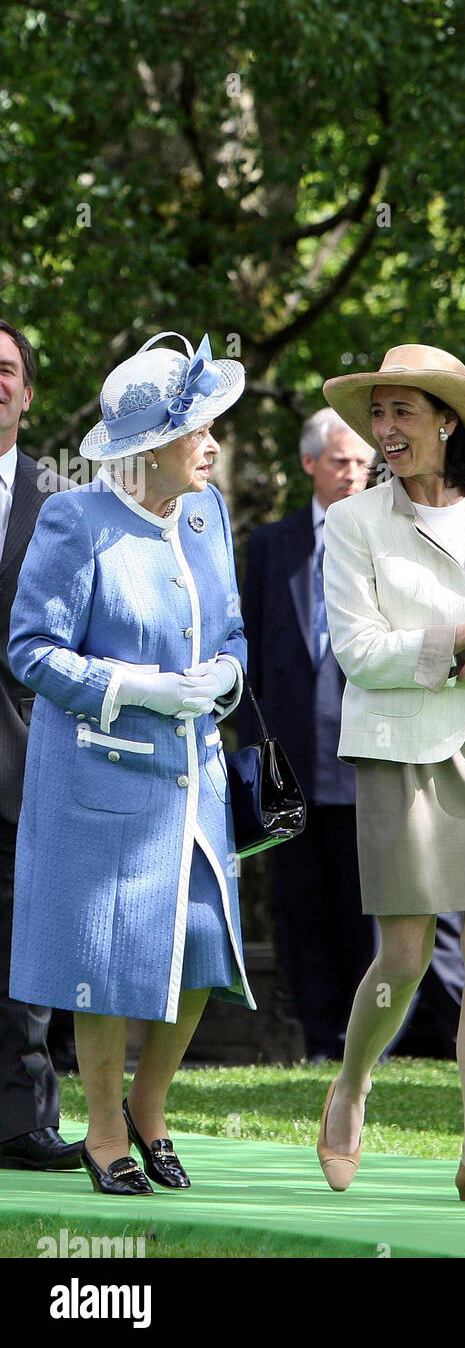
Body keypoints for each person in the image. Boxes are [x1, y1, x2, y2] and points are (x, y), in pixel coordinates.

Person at [7, 332, 254, 1195]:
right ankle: (105, 1128)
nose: (213, 445)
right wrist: (140, 688)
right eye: (199, 432)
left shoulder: (205, 511)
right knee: (103, 957)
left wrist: (225, 671)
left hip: (195, 777)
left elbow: (229, 630)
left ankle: (151, 1108)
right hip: (100, 775)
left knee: (196, 943)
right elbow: (31, 651)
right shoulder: (75, 518)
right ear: (151, 446)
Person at [314, 344, 465, 1205]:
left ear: (447, 421)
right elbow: (359, 652)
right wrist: (461, 639)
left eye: (401, 414)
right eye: (376, 415)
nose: (384, 431)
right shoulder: (351, 523)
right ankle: (350, 1083)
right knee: (405, 957)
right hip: (399, 751)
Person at [241, 408, 465, 1061]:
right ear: (309, 464)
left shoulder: (391, 539)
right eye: (339, 461)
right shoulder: (271, 546)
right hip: (288, 763)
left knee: (372, 908)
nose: (352, 474)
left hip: (371, 754)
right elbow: (249, 655)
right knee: (299, 906)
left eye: (362, 464)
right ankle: (318, 1041)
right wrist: (252, 751)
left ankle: (379, 1044)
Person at [0, 320, 81, 1174]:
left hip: (25, 754)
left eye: (8, 369)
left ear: (26, 392)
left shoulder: (62, 499)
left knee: (22, 949)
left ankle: (22, 1119)